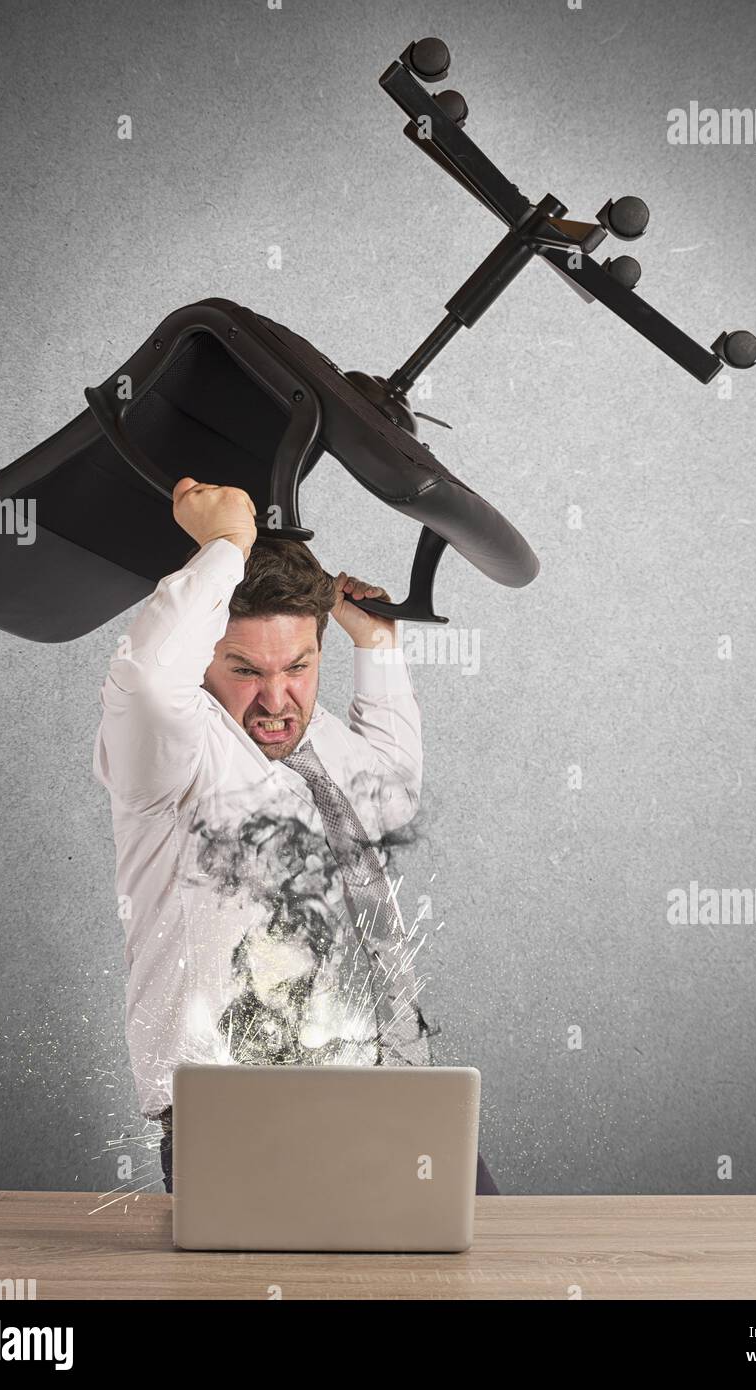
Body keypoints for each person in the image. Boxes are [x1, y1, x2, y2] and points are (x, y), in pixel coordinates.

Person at [92, 477, 498, 1195]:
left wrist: (373, 645)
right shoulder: (173, 755)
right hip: (242, 1121)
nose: (277, 701)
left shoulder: (316, 742)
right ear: (204, 661)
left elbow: (389, 796)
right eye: (244, 670)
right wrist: (224, 546)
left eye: (299, 667)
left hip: (404, 1102)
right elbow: (149, 682)